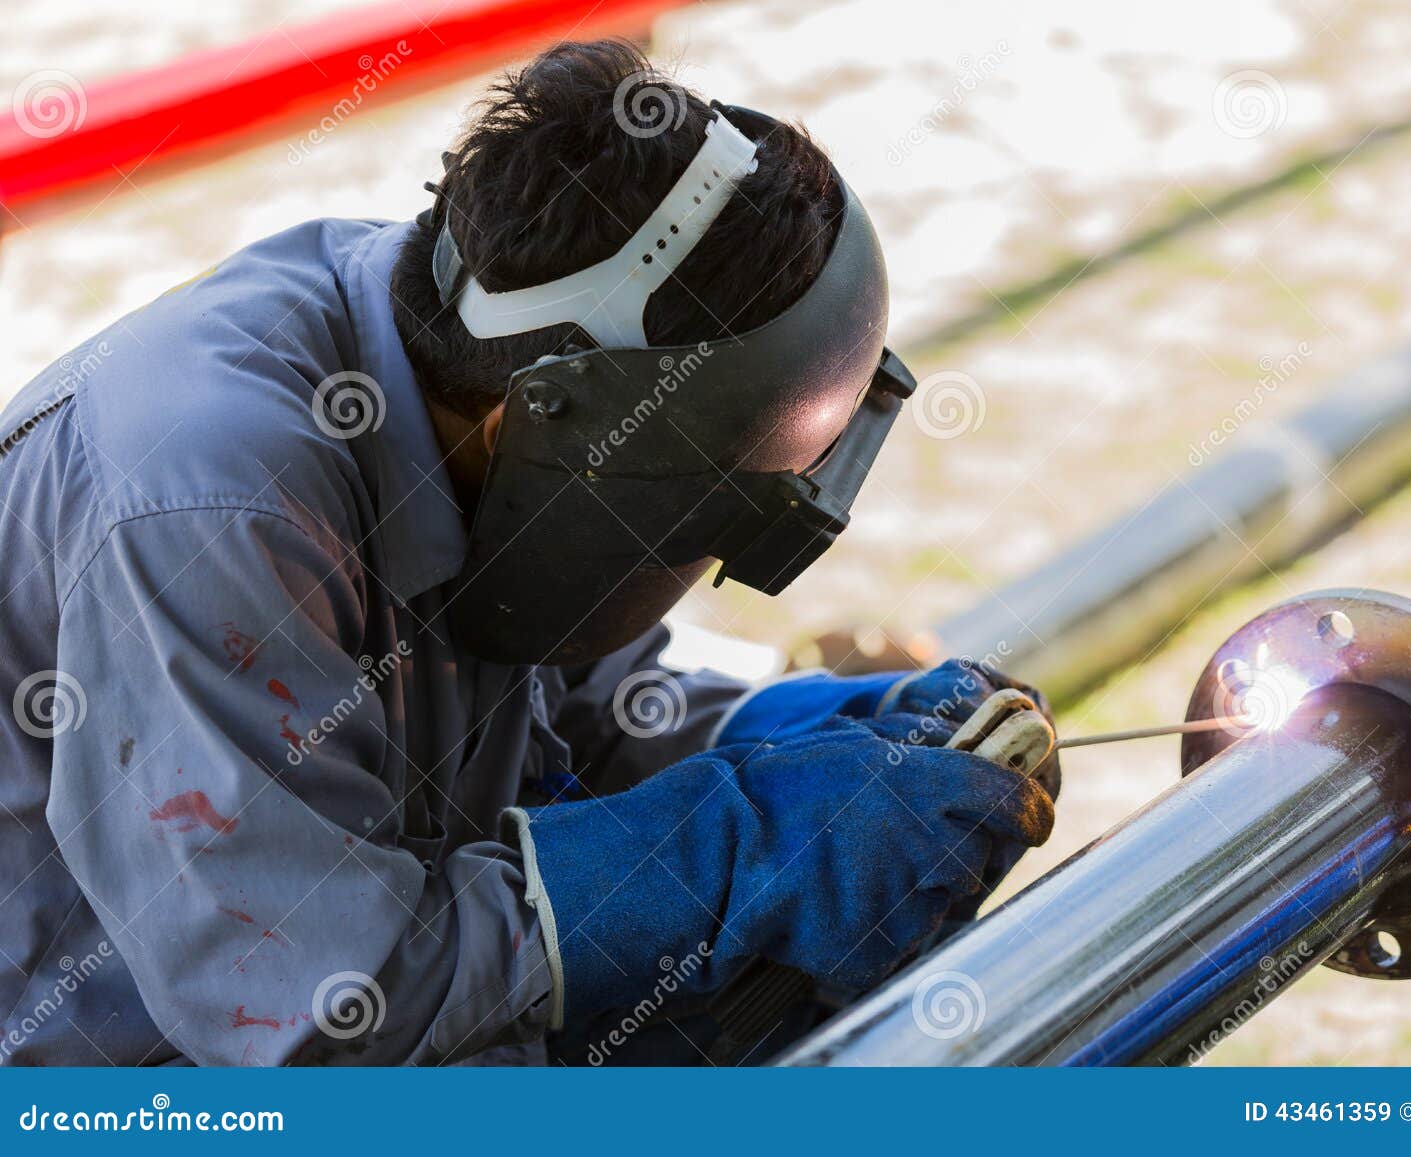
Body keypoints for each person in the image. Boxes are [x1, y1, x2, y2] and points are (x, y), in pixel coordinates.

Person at [0, 39, 1056, 1066]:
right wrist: (739, 848)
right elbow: (326, 1009)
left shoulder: (466, 349)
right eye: (693, 511)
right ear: (542, 418)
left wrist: (793, 742)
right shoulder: (213, 508)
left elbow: (559, 694)